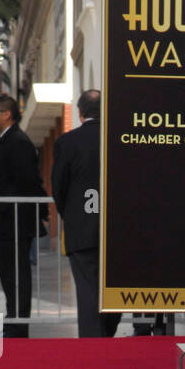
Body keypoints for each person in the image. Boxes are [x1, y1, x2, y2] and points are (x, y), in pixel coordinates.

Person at [51, 90, 120, 338]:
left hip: (81, 226)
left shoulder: (67, 142)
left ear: (80, 113)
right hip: (117, 227)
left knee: (87, 288)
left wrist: (69, 214)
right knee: (113, 285)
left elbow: (58, 186)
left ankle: (92, 342)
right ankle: (107, 332)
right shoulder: (118, 137)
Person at [0, 94, 47, 337]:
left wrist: (32, 210)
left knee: (16, 275)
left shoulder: (17, 142)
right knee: (8, 275)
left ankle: (18, 325)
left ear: (6, 114)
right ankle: (13, 321)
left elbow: (27, 181)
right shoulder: (6, 141)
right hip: (5, 223)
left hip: (14, 222)